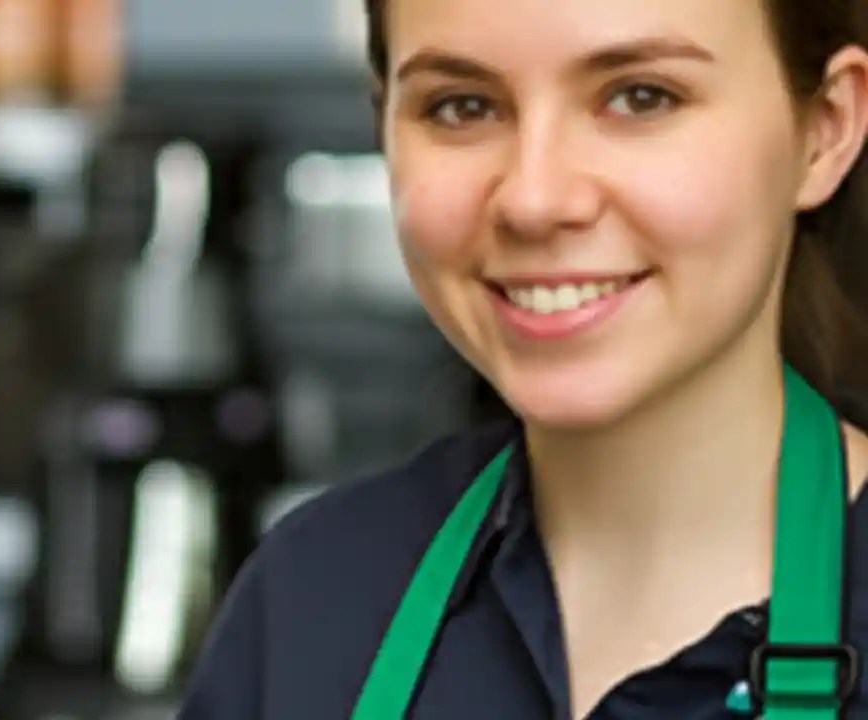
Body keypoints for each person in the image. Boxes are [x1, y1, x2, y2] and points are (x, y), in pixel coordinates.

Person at [178, 0, 868, 717]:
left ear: (825, 129)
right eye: (462, 106)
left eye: (641, 97)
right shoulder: (313, 599)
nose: (534, 201)